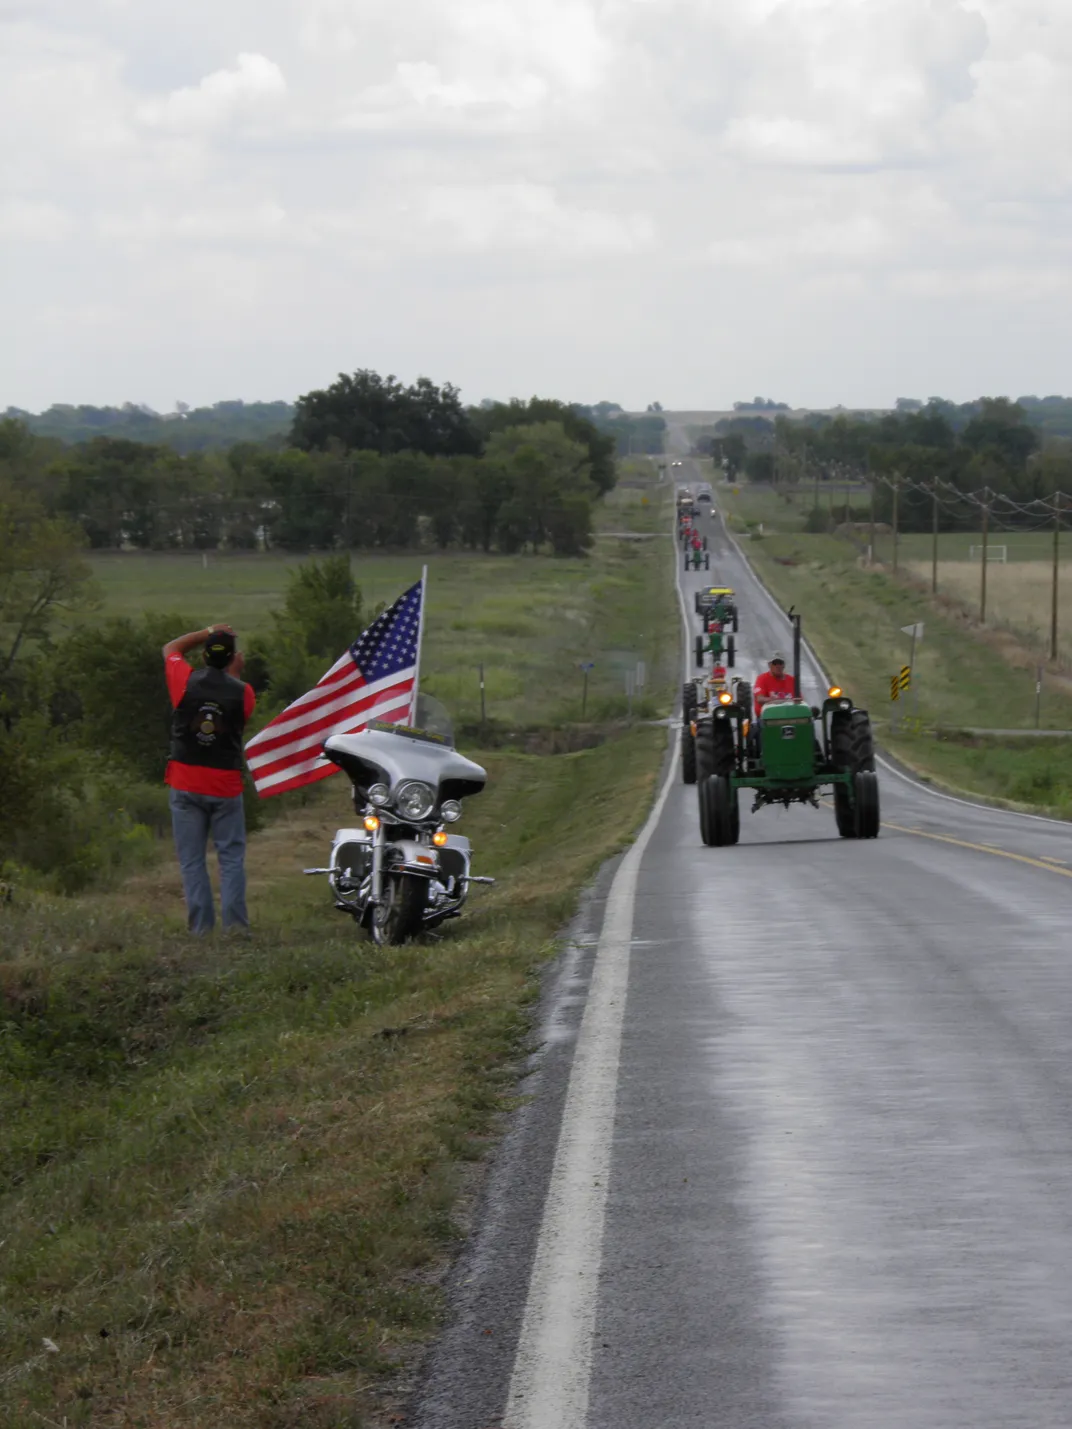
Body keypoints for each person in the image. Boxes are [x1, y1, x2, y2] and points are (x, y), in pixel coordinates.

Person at [162, 623, 255, 935]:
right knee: (230, 859)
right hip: (225, 785)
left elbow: (170, 649)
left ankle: (201, 929)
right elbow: (237, 712)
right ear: (233, 658)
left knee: (192, 861)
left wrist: (207, 632)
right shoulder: (245, 692)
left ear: (203, 656)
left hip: (185, 781)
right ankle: (236, 928)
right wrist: (235, 674)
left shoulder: (184, 681)